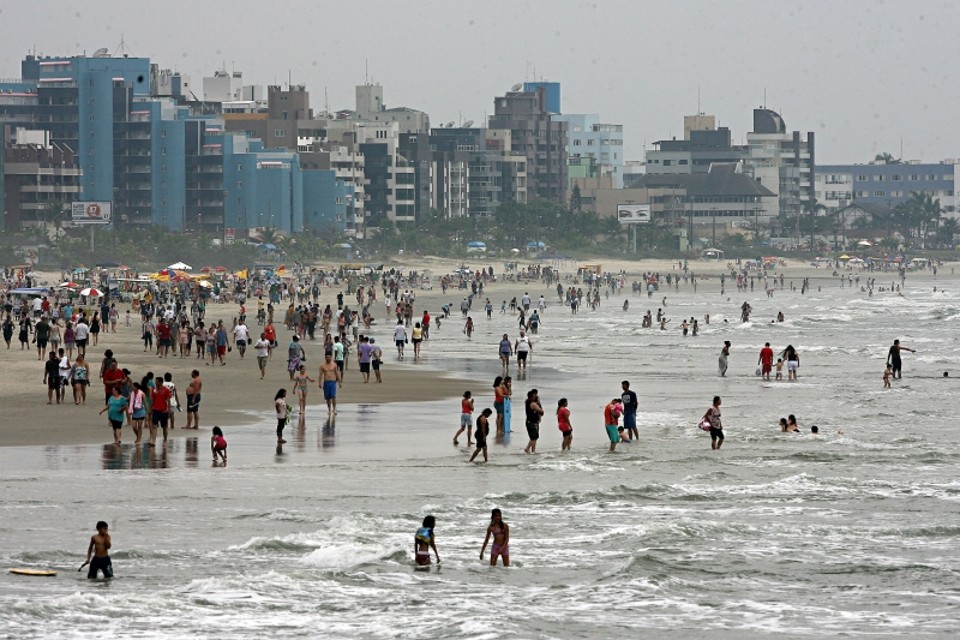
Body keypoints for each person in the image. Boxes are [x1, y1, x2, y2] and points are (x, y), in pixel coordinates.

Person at [150, 377, 172, 446]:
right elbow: (152, 400)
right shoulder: (154, 390)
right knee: (154, 426)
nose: (155, 383)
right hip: (155, 410)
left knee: (164, 427)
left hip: (164, 411)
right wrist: (150, 409)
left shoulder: (166, 390)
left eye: (156, 381)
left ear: (160, 382)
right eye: (155, 381)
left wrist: (169, 410)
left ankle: (165, 440)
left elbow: (168, 400)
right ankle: (153, 441)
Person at [523, 388, 544, 454]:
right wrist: (539, 403)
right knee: (534, 437)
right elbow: (541, 411)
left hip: (530, 421)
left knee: (534, 437)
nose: (536, 396)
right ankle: (533, 451)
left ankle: (528, 449)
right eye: (535, 396)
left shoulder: (527, 402)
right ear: (532, 397)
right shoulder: (533, 404)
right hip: (532, 422)